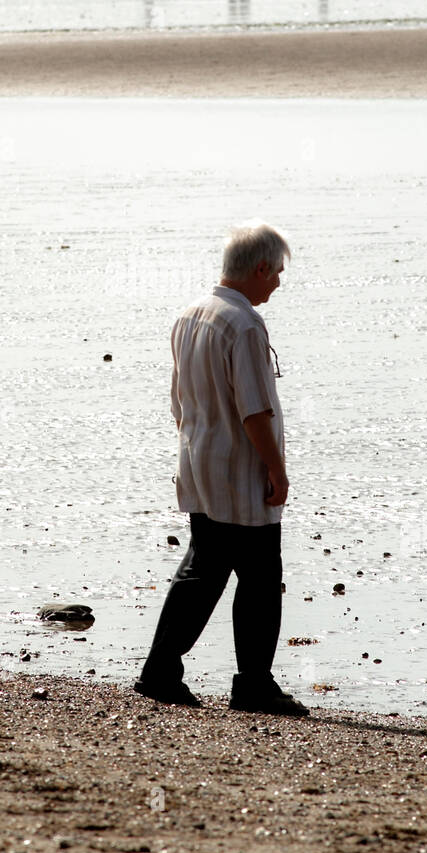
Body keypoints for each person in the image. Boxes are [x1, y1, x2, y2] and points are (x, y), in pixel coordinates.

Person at [135, 223, 308, 718]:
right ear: (258, 268)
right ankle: (253, 683)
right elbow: (255, 410)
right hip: (240, 468)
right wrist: (276, 470)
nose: (277, 282)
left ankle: (160, 669)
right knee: (258, 577)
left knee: (203, 569)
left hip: (199, 460)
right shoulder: (245, 324)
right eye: (276, 272)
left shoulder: (191, 315)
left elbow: (178, 399)